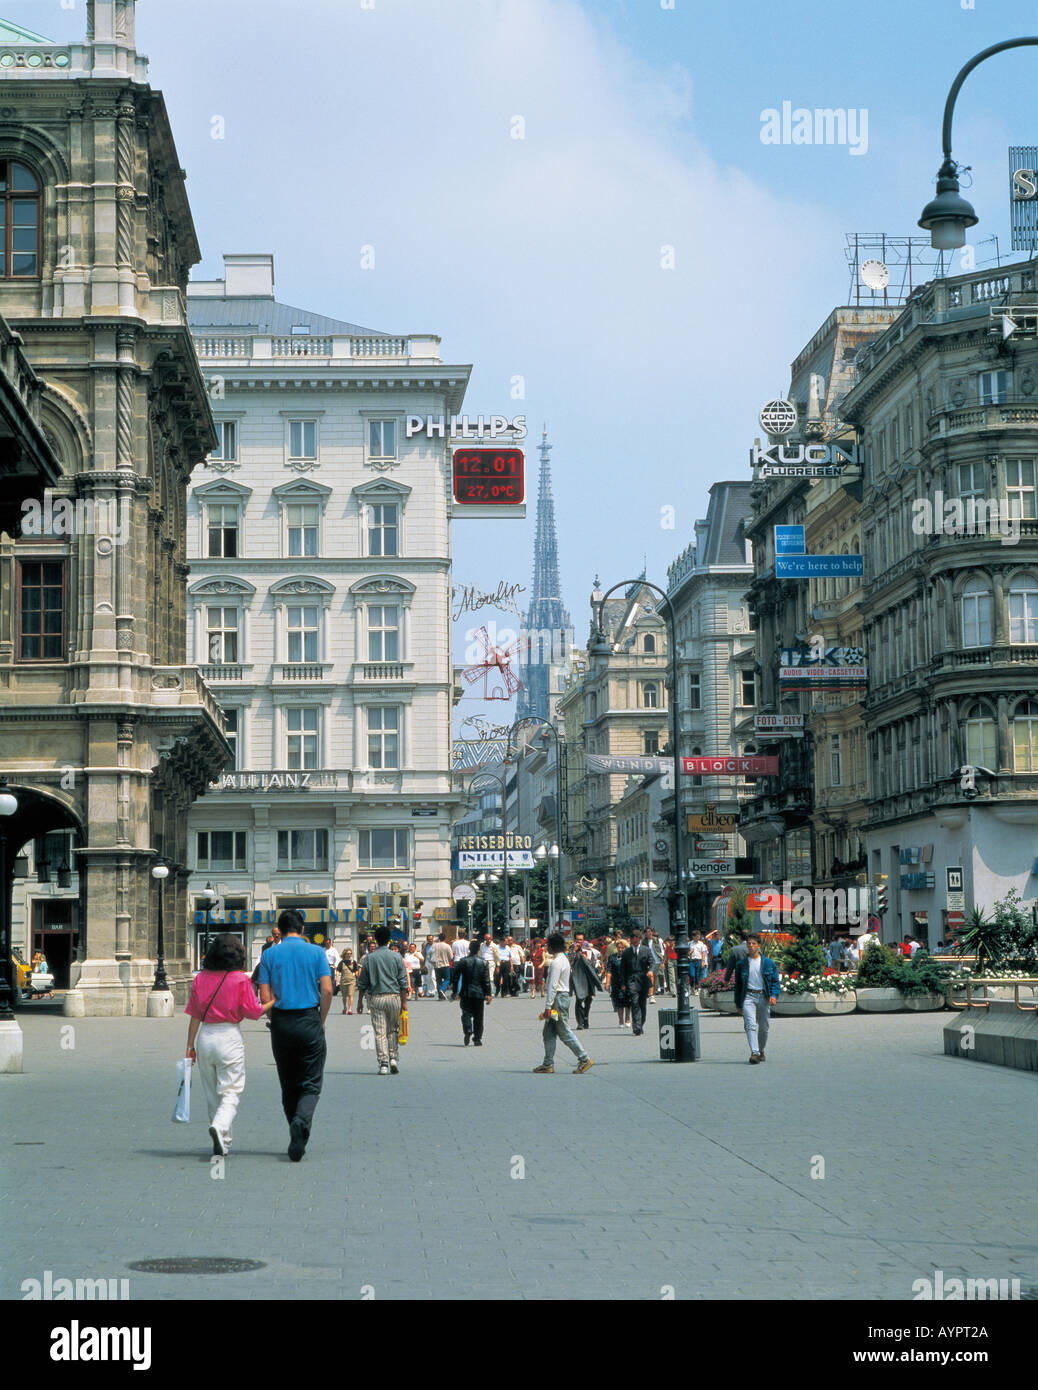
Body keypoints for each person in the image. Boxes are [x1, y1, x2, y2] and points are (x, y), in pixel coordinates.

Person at [185, 932, 274, 1156]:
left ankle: (224, 1142)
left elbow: (195, 1014)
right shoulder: (241, 979)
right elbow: (253, 1012)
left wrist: (189, 1047)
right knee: (231, 1090)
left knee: (211, 1092)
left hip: (205, 1037)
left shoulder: (200, 978)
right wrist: (274, 1001)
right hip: (229, 1036)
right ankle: (220, 1126)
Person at [257, 908, 332, 1161]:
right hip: (309, 1019)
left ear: (279, 929)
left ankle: (294, 1125)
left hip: (281, 1022)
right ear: (302, 929)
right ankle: (302, 1121)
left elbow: (264, 996)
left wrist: (273, 1018)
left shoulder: (270, 954)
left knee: (288, 1082)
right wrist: (320, 1019)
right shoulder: (317, 952)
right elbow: (328, 990)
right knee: (311, 1081)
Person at [532, 932, 593, 1075]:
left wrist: (548, 1007)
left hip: (558, 999)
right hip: (562, 997)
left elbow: (553, 985)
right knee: (549, 1032)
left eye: (548, 945)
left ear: (552, 947)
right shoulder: (563, 959)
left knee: (564, 1031)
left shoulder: (556, 962)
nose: (546, 947)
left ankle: (584, 1058)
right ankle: (548, 1063)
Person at [356, 924, 410, 1074]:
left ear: (376, 940)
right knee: (393, 1029)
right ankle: (393, 1057)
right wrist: (404, 1002)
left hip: (376, 998)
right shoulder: (397, 957)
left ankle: (383, 1063)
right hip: (394, 997)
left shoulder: (369, 958)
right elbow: (403, 982)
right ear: (388, 940)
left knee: (380, 1032)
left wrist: (360, 1001)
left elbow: (363, 982)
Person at [731, 933, 780, 1064]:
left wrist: (773, 996)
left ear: (759, 946)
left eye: (753, 943)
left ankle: (761, 1050)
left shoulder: (769, 963)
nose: (751, 946)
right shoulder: (741, 964)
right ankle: (755, 1052)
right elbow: (738, 985)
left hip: (763, 996)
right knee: (750, 1025)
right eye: (749, 943)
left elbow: (775, 981)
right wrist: (738, 1004)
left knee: (764, 1027)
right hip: (748, 997)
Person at [455, 937, 491, 1046]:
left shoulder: (463, 961)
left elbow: (456, 978)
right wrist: (488, 994)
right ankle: (477, 1039)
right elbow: (486, 980)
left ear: (469, 949)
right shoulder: (484, 963)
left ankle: (468, 1030)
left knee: (465, 1013)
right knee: (479, 1017)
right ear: (479, 949)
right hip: (479, 994)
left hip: (466, 992)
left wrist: (455, 991)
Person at [620, 929, 654, 1036]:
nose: (634, 940)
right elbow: (623, 969)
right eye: (632, 938)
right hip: (631, 979)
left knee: (642, 1004)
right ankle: (637, 1027)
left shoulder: (646, 950)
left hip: (643, 979)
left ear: (640, 939)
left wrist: (650, 971)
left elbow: (652, 962)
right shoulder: (626, 952)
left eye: (636, 938)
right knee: (634, 1002)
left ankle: (641, 1024)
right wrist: (623, 983)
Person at [569, 932, 603, 1030]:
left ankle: (585, 1017)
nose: (579, 942)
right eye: (577, 939)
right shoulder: (572, 950)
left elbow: (593, 964)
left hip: (588, 977)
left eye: (581, 940)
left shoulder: (589, 951)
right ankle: (579, 1022)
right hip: (578, 978)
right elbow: (569, 962)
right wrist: (574, 951)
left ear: (584, 940)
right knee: (579, 999)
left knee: (588, 999)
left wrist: (587, 959)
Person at [604, 937, 631, 1026]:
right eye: (619, 947)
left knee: (627, 1001)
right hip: (616, 982)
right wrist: (607, 983)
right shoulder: (612, 957)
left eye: (622, 948)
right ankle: (620, 1020)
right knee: (618, 1001)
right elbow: (609, 970)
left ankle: (627, 1018)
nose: (620, 949)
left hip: (627, 982)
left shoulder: (629, 957)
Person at [337, 948, 360, 1014]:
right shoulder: (341, 963)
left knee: (350, 995)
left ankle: (350, 1009)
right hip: (343, 980)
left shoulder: (353, 962)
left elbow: (356, 970)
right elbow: (338, 970)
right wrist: (337, 978)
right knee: (344, 996)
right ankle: (344, 1007)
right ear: (345, 954)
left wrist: (357, 976)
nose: (349, 955)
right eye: (348, 953)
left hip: (352, 981)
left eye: (350, 953)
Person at [432, 933, 454, 1000]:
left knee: (438, 980)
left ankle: (440, 994)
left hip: (437, 965)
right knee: (447, 979)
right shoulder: (447, 946)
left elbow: (430, 955)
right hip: (445, 965)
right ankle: (443, 990)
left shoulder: (434, 946)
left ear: (439, 938)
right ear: (445, 938)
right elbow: (451, 957)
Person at [479, 933, 499, 1004]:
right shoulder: (482, 945)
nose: (488, 941)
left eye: (489, 939)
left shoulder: (494, 946)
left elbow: (497, 957)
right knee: (483, 978)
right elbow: (480, 954)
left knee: (490, 978)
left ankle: (491, 992)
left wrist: (498, 966)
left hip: (491, 963)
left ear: (491, 939)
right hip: (483, 962)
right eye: (486, 939)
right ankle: (484, 992)